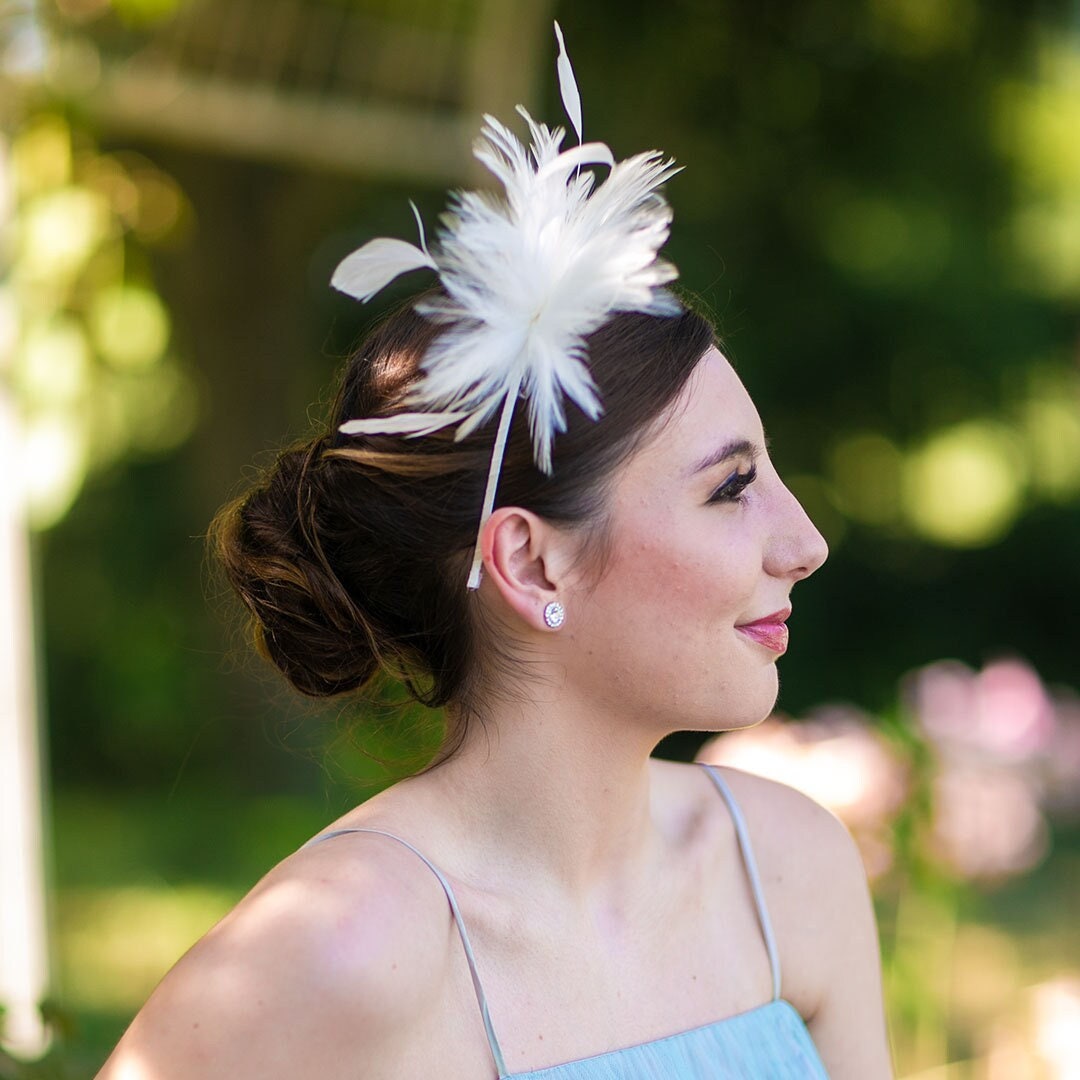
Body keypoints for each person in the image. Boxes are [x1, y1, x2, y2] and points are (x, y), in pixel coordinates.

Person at [97, 25, 893, 1080]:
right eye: (732, 487)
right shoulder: (349, 945)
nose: (806, 542)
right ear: (529, 562)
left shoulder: (789, 869)